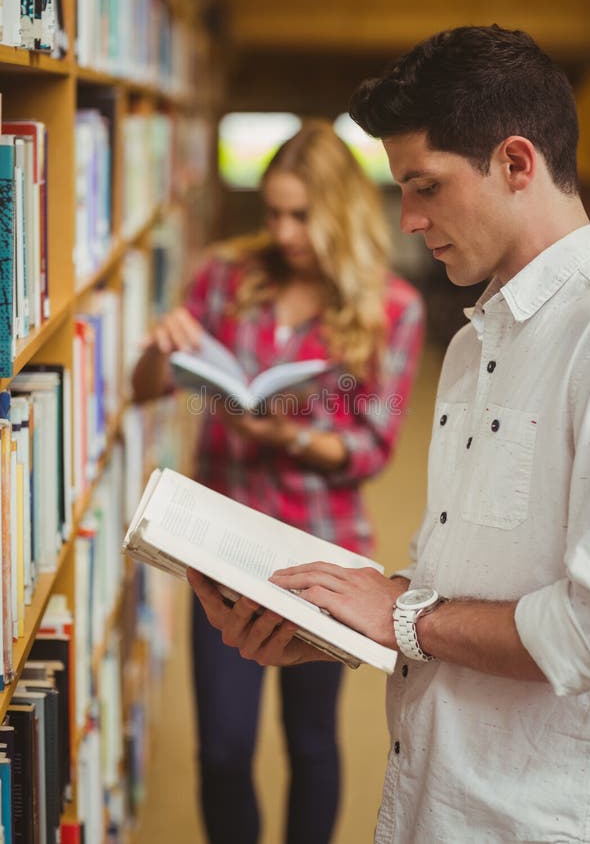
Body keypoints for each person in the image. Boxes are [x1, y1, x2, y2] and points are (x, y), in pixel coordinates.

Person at [188, 25, 590, 843]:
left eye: (426, 186)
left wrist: (403, 618)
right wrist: (337, 618)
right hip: (435, 801)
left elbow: (589, 628)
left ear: (517, 164)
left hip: (528, 816)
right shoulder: (482, 334)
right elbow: (479, 573)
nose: (407, 220)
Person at [132, 119, 424, 844]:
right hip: (221, 540)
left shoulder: (392, 308)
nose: (286, 232)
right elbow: (146, 391)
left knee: (311, 740)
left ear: (341, 210)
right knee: (224, 749)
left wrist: (285, 432)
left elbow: (375, 443)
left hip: (322, 551)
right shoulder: (227, 275)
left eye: (303, 214)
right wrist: (156, 350)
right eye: (274, 212)